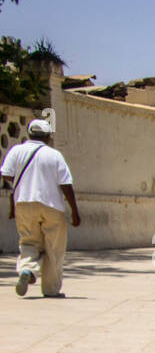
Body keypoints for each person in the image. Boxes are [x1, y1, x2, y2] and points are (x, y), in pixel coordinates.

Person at [2, 118, 79, 298]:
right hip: (52, 206)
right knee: (54, 247)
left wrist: (23, 186)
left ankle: (27, 270)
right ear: (47, 136)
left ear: (29, 134)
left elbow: (6, 174)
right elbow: (66, 184)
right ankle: (51, 289)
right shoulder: (54, 155)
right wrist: (75, 211)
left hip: (23, 203)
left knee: (29, 242)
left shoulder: (16, 151)